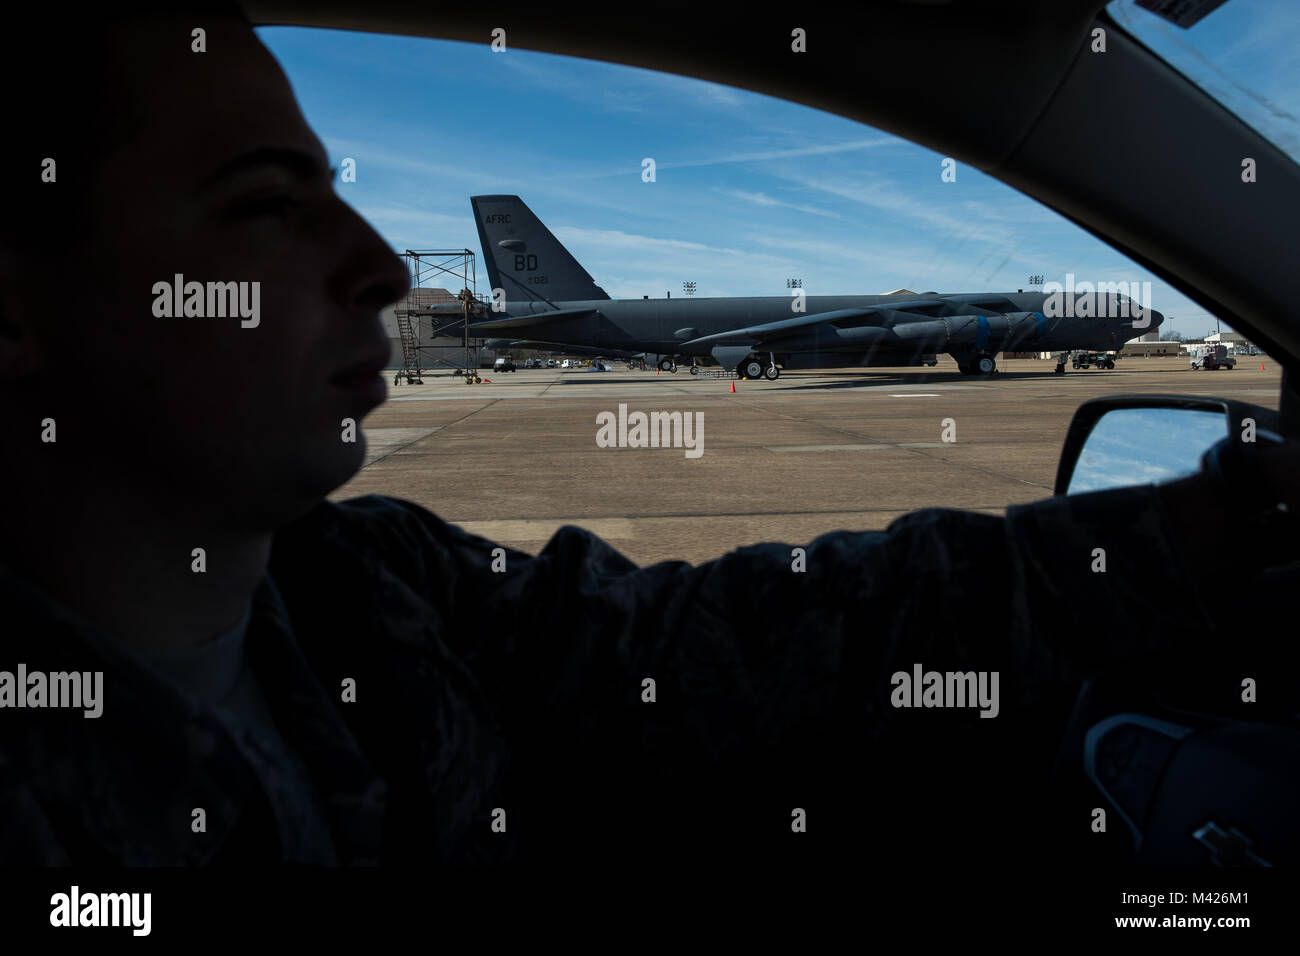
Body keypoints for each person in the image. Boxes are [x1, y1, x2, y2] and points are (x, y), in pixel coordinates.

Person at [1, 5, 1296, 866]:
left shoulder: (377, 586)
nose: (384, 265)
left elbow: (727, 644)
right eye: (267, 204)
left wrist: (1190, 529)